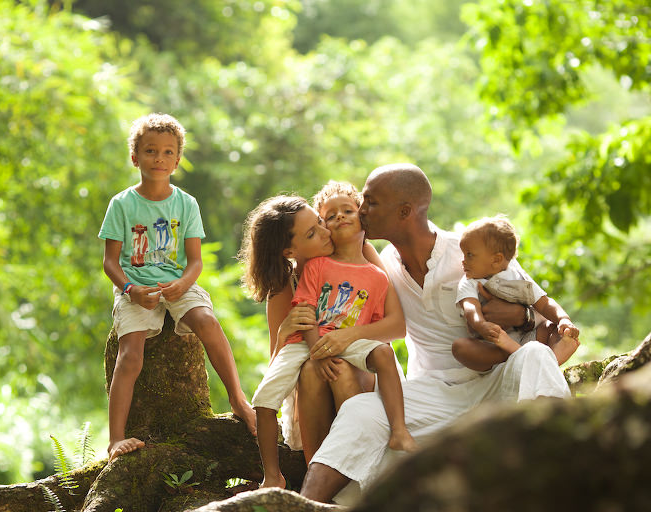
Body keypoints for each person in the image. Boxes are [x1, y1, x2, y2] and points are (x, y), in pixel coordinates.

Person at [300, 163, 573, 503]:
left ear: (404, 211)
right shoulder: (382, 265)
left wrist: (523, 314)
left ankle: (559, 474)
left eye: (370, 203)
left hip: (497, 380)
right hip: (432, 393)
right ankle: (301, 505)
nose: (361, 211)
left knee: (534, 354)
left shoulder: (469, 249)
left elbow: (541, 310)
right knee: (361, 412)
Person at [98, 113, 256, 462]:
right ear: (135, 157)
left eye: (168, 152)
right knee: (131, 355)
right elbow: (110, 262)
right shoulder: (122, 204)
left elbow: (195, 261)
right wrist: (130, 290)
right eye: (151, 151)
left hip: (178, 282)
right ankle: (115, 439)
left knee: (207, 322)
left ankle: (238, 399)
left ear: (178, 160)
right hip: (135, 286)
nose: (159, 158)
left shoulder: (185, 203)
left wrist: (183, 284)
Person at [251, 181, 415, 488]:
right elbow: (282, 363)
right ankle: (319, 480)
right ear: (290, 250)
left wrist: (345, 338)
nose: (327, 231)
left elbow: (395, 326)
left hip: (360, 367)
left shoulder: (360, 251)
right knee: (313, 369)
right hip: (312, 382)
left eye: (319, 222)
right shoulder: (286, 284)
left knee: (336, 367)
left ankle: (363, 466)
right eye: (315, 231)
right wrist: (286, 330)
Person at [452, 215, 580, 371]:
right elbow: (471, 309)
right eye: (463, 254)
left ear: (496, 259)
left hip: (530, 340)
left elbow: (544, 303)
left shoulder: (518, 277)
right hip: (497, 347)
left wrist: (563, 320)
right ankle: (536, 361)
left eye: (469, 255)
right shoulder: (469, 282)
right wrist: (481, 325)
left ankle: (549, 358)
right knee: (460, 348)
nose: (463, 260)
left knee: (551, 326)